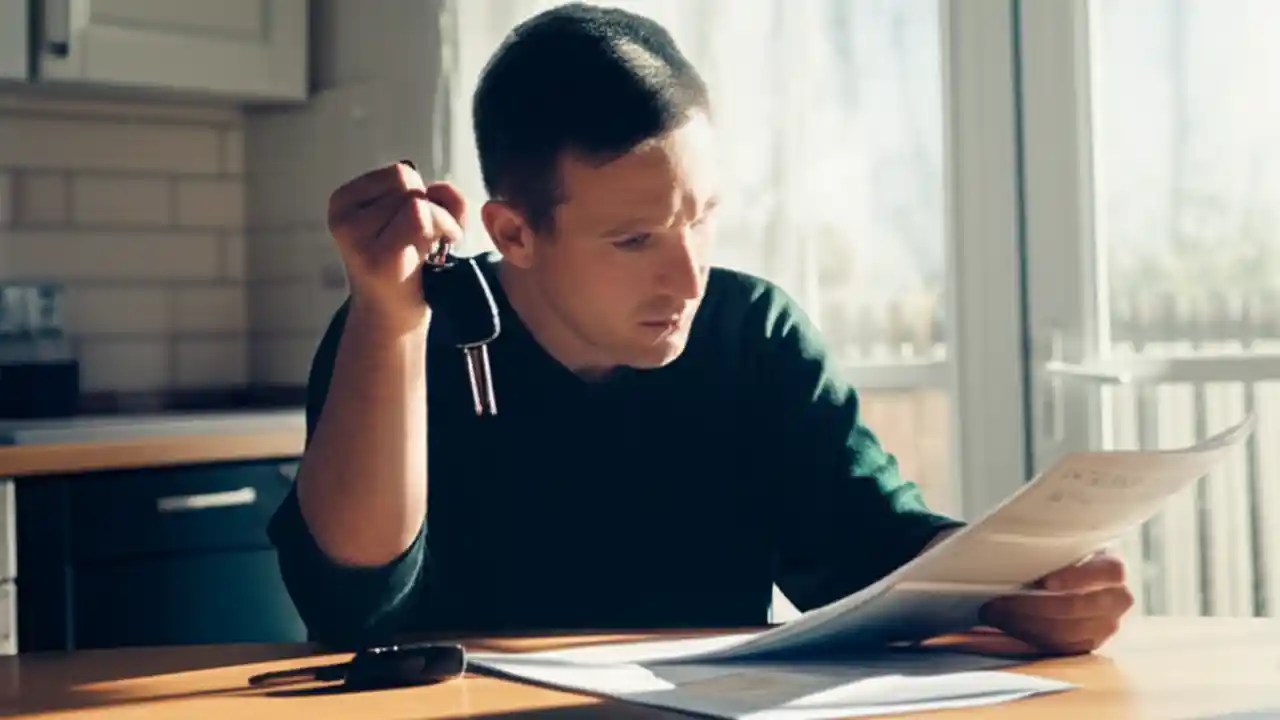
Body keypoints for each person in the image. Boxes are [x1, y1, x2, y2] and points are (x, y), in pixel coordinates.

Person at [268, 2, 1133, 654]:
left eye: (703, 219)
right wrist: (387, 321)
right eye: (634, 239)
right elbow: (350, 605)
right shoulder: (406, 335)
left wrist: (1013, 586)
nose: (688, 279)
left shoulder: (751, 333)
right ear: (514, 233)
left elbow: (868, 547)